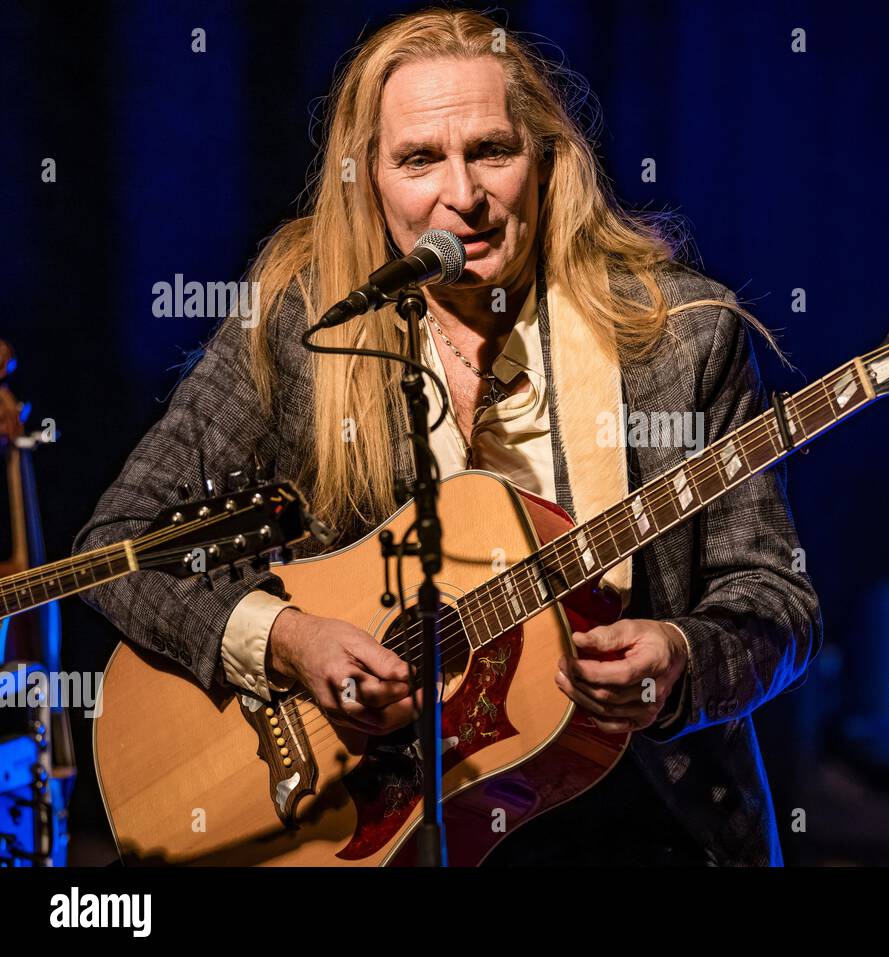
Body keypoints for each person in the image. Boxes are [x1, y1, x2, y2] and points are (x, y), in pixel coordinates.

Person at [74, 7, 821, 866]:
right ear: (370, 179)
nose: (461, 196)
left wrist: (682, 657)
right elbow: (120, 544)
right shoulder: (300, 322)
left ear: (545, 161)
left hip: (634, 823)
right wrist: (284, 639)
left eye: (492, 152)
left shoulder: (677, 337)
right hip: (372, 825)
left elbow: (777, 599)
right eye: (419, 159)